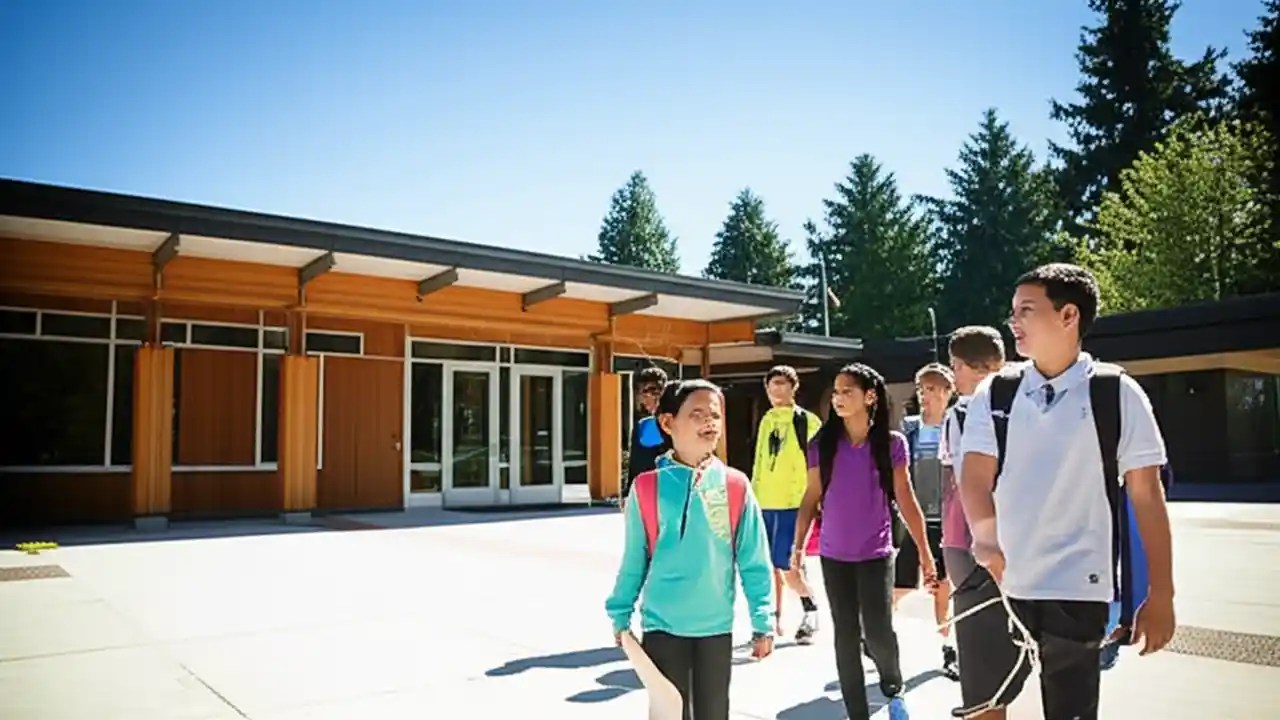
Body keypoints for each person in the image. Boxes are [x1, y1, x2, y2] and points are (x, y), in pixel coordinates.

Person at [959, 264, 1175, 720]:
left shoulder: (1117, 393)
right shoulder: (994, 394)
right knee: (982, 708)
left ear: (1068, 315)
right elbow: (974, 477)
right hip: (998, 579)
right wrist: (984, 535)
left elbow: (1147, 497)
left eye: (1027, 310)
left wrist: (1162, 594)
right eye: (1013, 310)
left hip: (1078, 587)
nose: (1013, 321)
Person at [606, 379, 775, 720]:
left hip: (715, 627)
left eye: (715, 414)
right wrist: (620, 614)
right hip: (661, 626)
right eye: (697, 414)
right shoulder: (647, 486)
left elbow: (754, 560)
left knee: (714, 714)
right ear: (668, 423)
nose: (709, 422)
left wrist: (763, 619)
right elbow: (634, 559)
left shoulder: (736, 485)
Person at [793, 363, 936, 720]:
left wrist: (925, 553)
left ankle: (892, 683)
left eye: (847, 392)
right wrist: (797, 548)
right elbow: (811, 497)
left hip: (875, 552)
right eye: (836, 392)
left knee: (878, 630)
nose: (838, 399)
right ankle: (856, 711)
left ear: (869, 396)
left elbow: (906, 498)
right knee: (845, 631)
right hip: (833, 554)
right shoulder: (822, 445)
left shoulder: (891, 444)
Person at [938, 325, 1023, 719]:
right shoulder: (1025, 401)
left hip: (970, 538)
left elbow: (954, 478)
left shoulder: (963, 412)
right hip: (1002, 535)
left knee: (981, 651)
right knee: (1000, 645)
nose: (954, 375)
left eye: (957, 366)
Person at [750, 365, 822, 643]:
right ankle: (772, 620)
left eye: (781, 383)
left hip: (795, 503)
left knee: (789, 566)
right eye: (771, 384)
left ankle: (811, 608)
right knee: (768, 565)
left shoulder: (807, 421)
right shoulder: (767, 419)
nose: (776, 389)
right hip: (765, 502)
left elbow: (820, 464)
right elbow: (759, 462)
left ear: (794, 387)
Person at [895, 362, 957, 680]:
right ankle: (876, 636)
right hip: (914, 520)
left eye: (933, 388)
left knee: (944, 586)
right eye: (922, 388)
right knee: (899, 584)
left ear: (949, 392)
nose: (927, 395)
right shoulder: (909, 428)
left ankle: (949, 650)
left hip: (948, 520)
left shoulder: (957, 424)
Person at [621, 366, 670, 507]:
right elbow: (636, 464)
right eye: (643, 393)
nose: (644, 399)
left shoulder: (680, 424)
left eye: (646, 392)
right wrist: (629, 493)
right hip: (648, 495)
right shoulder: (645, 426)